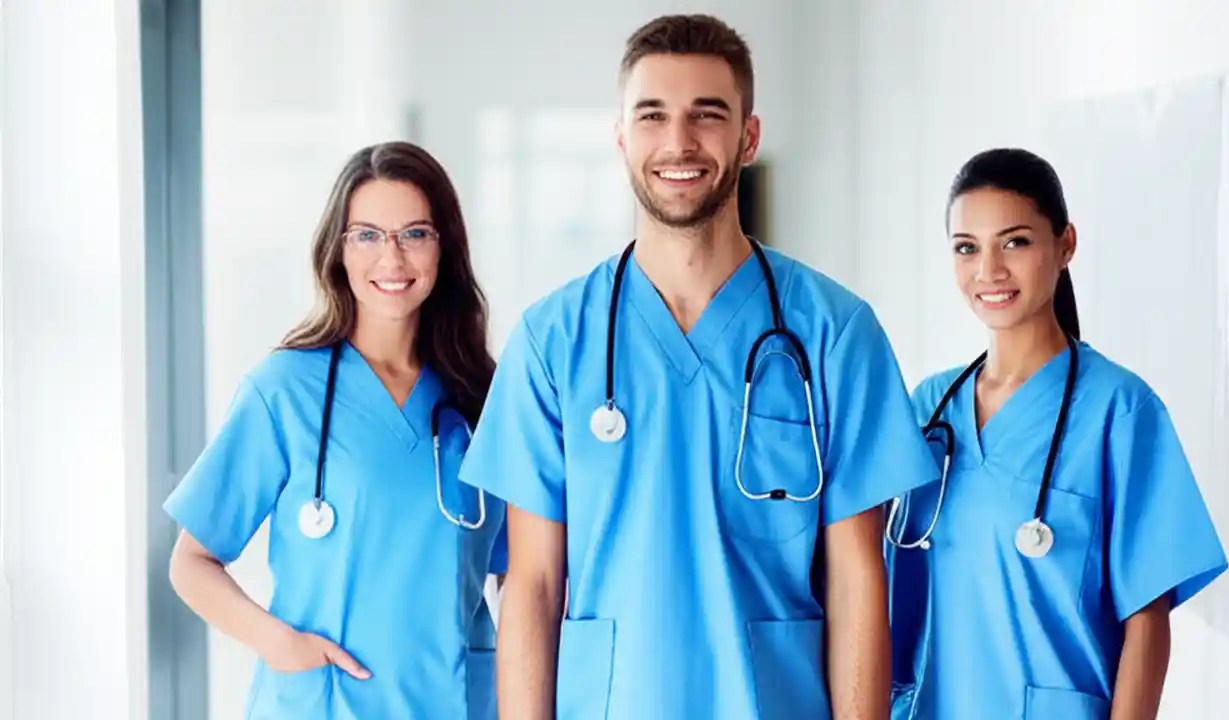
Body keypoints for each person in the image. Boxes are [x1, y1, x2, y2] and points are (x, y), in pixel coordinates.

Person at [457, 13, 937, 720]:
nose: (678, 141)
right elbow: (532, 586)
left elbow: (857, 581)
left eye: (707, 115)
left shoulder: (835, 333)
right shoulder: (553, 341)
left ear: (749, 136)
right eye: (652, 116)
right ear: (621, 138)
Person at [164, 141, 506, 719]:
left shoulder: (481, 397)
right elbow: (191, 563)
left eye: (415, 233)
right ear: (338, 251)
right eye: (367, 235)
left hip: (454, 702)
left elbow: (519, 574)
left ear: (444, 247)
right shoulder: (284, 391)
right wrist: (280, 644)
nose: (391, 257)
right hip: (326, 702)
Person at [884, 148, 1228, 719]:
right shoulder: (929, 409)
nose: (989, 271)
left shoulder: (1120, 410)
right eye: (967, 248)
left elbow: (1147, 620)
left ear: (1065, 244)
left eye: (1014, 242)